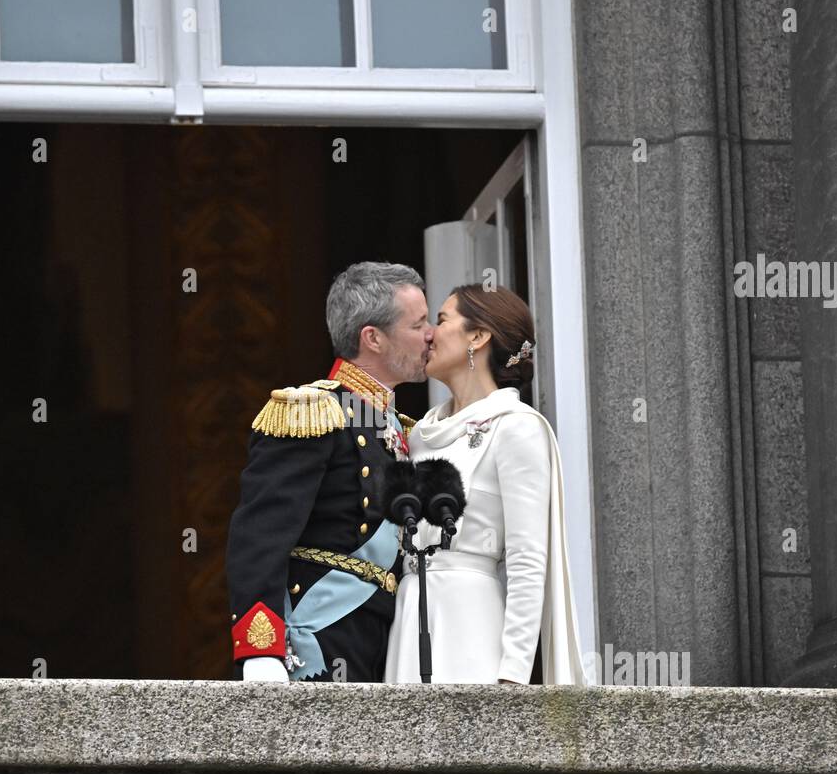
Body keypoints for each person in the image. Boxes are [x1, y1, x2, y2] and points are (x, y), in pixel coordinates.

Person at [227, 262, 434, 682]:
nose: (431, 334)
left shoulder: (403, 429)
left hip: (388, 644)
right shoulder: (311, 413)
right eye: (419, 324)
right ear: (372, 337)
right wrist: (261, 649)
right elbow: (259, 535)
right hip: (319, 638)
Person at [384, 284, 588, 686]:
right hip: (410, 614)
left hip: (472, 624)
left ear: (477, 337)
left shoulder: (516, 428)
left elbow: (528, 559)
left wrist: (512, 675)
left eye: (441, 321)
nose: (429, 334)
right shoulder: (420, 433)